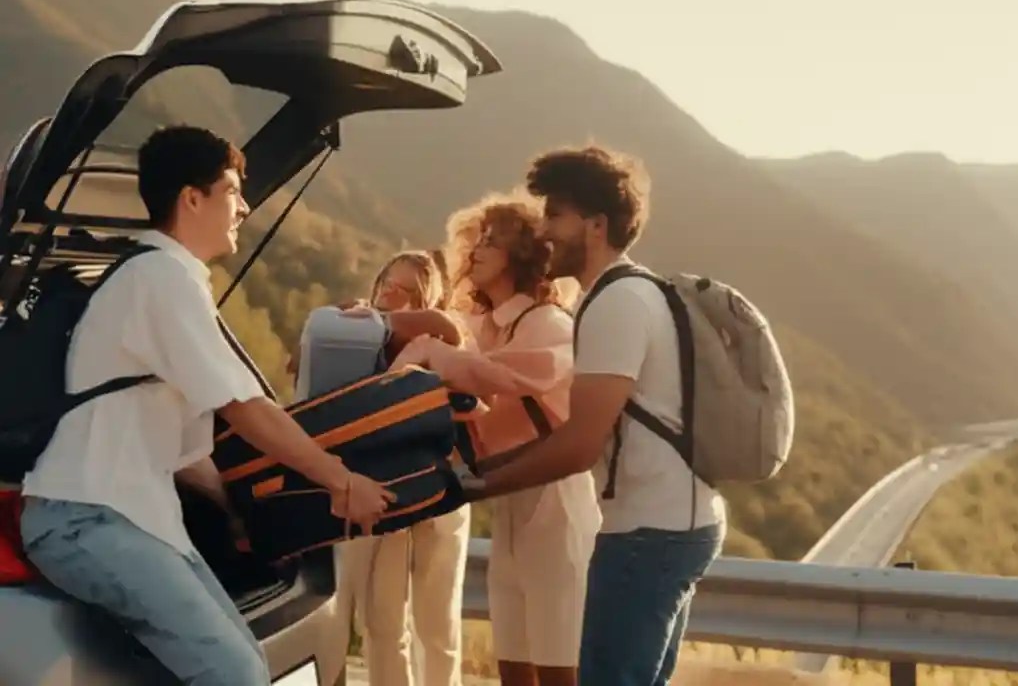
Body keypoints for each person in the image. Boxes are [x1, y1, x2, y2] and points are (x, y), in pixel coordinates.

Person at [19, 125, 394, 686]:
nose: (244, 207)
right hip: (87, 520)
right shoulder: (159, 277)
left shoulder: (166, 278)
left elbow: (188, 456)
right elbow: (245, 407)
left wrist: (238, 517)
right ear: (192, 199)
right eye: (233, 191)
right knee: (233, 670)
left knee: (247, 661)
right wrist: (339, 479)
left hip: (130, 520)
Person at [458, 146, 727, 686]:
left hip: (649, 533)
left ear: (597, 225)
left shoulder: (617, 303)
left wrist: (477, 484)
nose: (544, 231)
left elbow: (579, 443)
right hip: (669, 525)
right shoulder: (623, 295)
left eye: (556, 215)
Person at [387, 196, 600, 686]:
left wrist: (432, 351)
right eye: (477, 239)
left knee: (558, 673)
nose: (477, 249)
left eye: (492, 240)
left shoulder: (548, 323)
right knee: (514, 671)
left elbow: (496, 376)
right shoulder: (486, 327)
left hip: (555, 508)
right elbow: (445, 344)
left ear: (521, 253)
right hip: (506, 506)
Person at [329, 250, 470, 686]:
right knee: (384, 623)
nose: (390, 293)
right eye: (387, 282)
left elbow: (447, 330)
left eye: (405, 289)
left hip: (442, 493)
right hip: (387, 493)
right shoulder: (355, 340)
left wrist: (380, 321)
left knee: (438, 626)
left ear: (426, 299)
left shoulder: (440, 342)